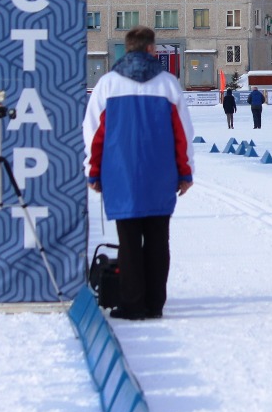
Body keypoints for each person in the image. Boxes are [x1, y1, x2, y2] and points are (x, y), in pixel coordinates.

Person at [82, 26, 194, 321]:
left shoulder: (107, 85)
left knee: (129, 243)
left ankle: (132, 304)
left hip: (120, 177)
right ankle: (155, 303)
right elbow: (183, 134)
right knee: (159, 241)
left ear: (127, 50)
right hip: (160, 176)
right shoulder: (168, 84)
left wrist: (93, 173)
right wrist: (185, 173)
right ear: (149, 50)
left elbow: (94, 133)